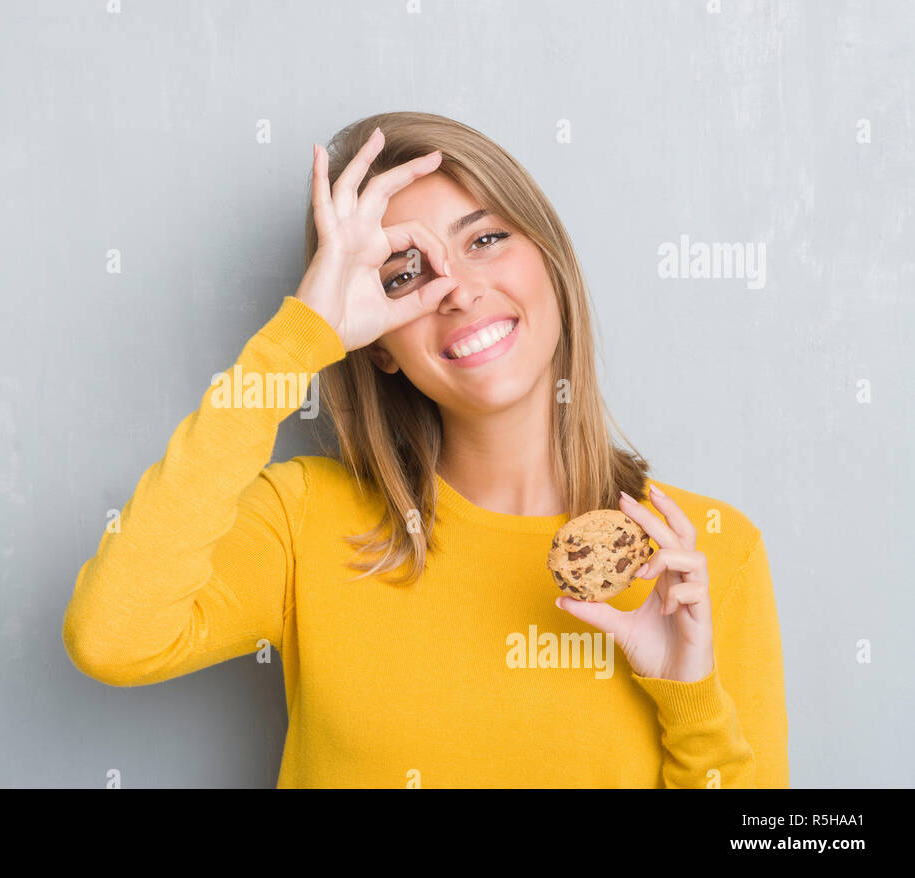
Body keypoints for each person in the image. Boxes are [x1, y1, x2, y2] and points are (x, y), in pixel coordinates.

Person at [62, 111, 789, 788]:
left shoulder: (703, 558)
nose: (459, 291)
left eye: (485, 239)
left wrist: (689, 700)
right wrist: (300, 340)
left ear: (551, 263)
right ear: (375, 346)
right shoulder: (304, 520)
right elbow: (113, 640)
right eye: (403, 276)